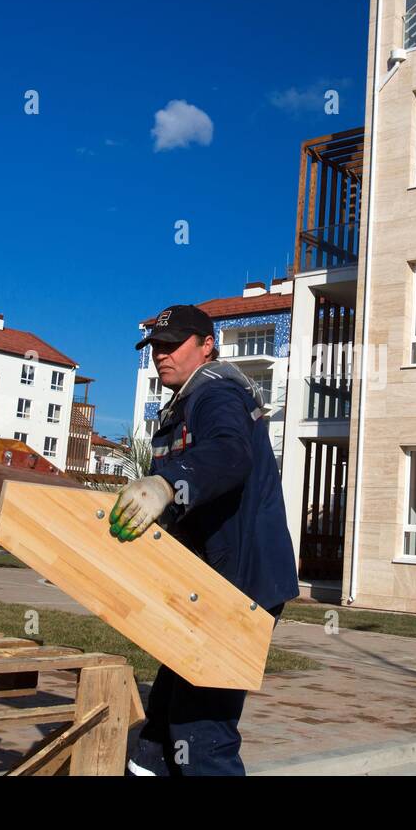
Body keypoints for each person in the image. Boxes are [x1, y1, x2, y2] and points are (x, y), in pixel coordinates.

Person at [111, 304, 298, 776]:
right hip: (205, 583)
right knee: (159, 732)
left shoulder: (216, 395)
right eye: (155, 347)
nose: (161, 355)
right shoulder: (180, 409)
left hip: (239, 587)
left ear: (207, 345)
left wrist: (168, 482)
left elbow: (229, 453)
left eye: (173, 345)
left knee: (202, 733)